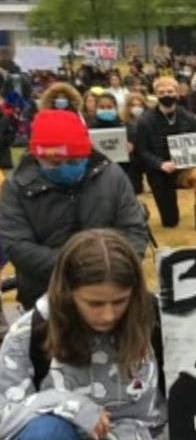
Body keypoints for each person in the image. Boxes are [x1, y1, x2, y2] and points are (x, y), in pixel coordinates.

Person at [0, 229, 176, 440]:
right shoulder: (29, 331)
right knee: (43, 437)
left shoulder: (160, 319)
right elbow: (3, 420)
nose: (108, 314)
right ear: (68, 292)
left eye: (119, 302)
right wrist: (67, 405)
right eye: (94, 303)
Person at [0, 110, 148, 311]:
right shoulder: (16, 186)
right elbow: (17, 246)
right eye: (55, 163)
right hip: (45, 295)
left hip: (110, 293)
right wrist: (80, 268)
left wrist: (113, 269)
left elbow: (135, 230)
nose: (65, 168)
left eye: (73, 161)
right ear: (37, 156)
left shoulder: (112, 175)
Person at [133, 76, 196, 231]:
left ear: (177, 93)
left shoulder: (188, 117)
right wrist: (160, 164)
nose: (166, 95)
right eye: (161, 92)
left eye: (170, 91)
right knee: (170, 222)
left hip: (184, 167)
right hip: (159, 172)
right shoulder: (145, 120)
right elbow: (141, 151)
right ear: (155, 94)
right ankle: (169, 212)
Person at [120, 92, 149, 194]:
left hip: (149, 155)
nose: (136, 108)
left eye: (139, 105)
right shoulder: (122, 122)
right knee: (135, 189)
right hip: (132, 158)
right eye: (133, 105)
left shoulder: (150, 120)